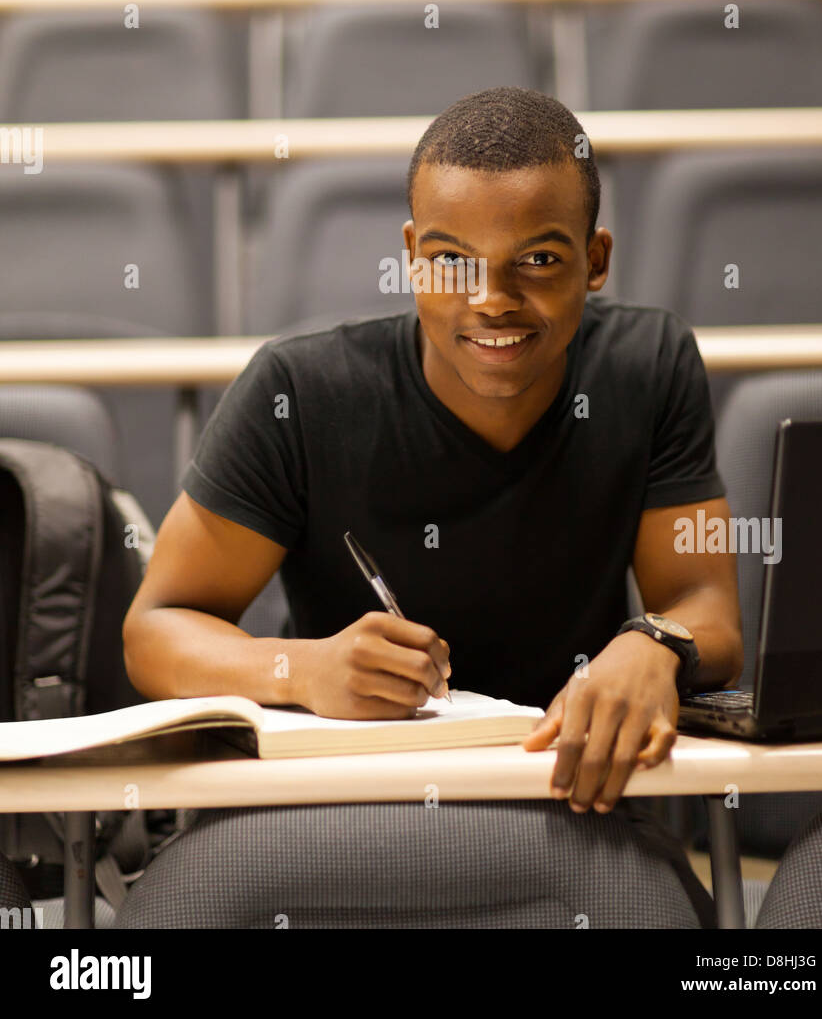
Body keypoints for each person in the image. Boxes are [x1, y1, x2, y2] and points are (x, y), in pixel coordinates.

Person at [121, 86, 743, 929]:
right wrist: (298, 670)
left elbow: (708, 612)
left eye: (539, 260)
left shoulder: (651, 364)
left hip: (564, 798)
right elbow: (155, 628)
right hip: (331, 800)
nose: (491, 298)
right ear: (413, 256)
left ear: (596, 261)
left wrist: (654, 642)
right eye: (452, 259)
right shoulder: (299, 391)